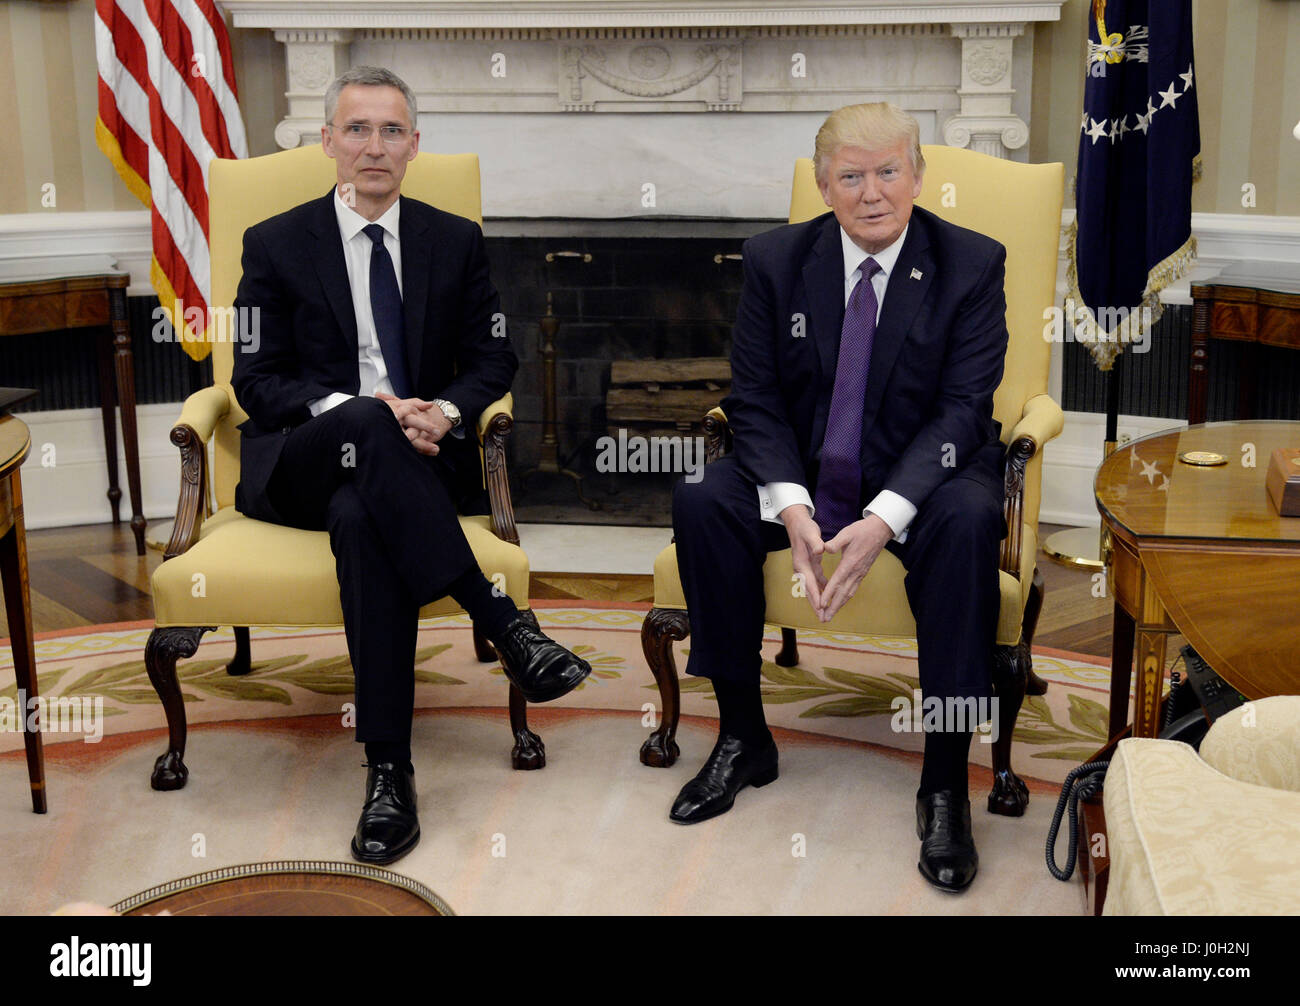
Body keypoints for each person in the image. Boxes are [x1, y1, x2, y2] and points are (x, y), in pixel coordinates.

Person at [231, 66, 590, 866]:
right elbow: (253, 380)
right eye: (356, 129)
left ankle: (388, 772)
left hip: (411, 469)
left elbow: (493, 354)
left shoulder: (451, 240)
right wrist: (367, 415)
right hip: (302, 464)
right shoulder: (276, 242)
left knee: (365, 521)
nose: (373, 147)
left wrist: (445, 413)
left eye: (392, 131)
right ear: (326, 141)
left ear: (414, 146)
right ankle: (501, 622)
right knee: (362, 415)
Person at [669, 102, 1009, 893]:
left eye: (890, 171)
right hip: (807, 472)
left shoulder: (971, 263)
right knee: (701, 497)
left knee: (966, 522)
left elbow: (965, 410)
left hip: (929, 474)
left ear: (919, 176)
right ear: (824, 187)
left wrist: (883, 518)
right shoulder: (775, 260)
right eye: (851, 176)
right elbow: (751, 398)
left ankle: (945, 779)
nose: (873, 192)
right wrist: (792, 507)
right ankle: (744, 738)